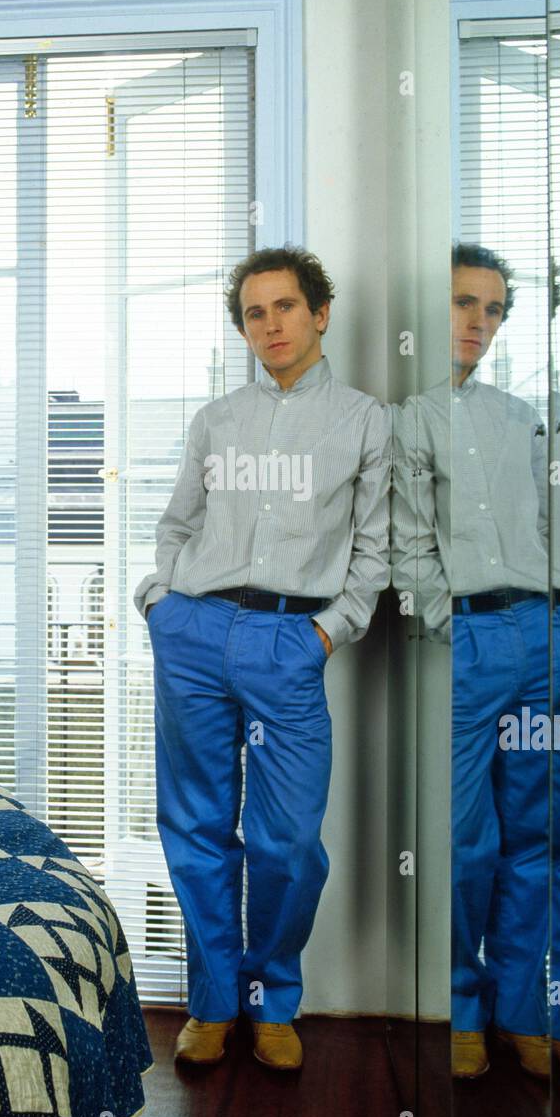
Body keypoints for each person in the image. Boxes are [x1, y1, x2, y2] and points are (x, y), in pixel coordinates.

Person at [390, 242, 560, 1087]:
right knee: (469, 841)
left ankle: (548, 1016)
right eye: (464, 302)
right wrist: (450, 624)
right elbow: (406, 546)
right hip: (479, 641)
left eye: (495, 309)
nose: (479, 322)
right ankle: (468, 1009)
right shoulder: (412, 420)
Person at [135, 244, 391, 1070]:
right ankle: (213, 1002)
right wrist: (161, 604)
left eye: (285, 307)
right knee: (198, 829)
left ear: (320, 314)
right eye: (254, 312)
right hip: (196, 635)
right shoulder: (217, 421)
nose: (270, 324)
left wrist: (329, 630)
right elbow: (178, 525)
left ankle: (270, 995)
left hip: (290, 643)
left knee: (286, 843)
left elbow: (376, 550)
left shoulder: (362, 419)